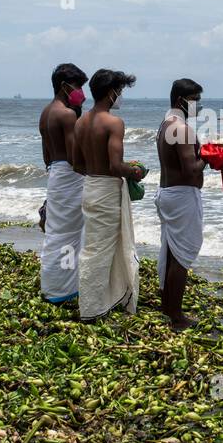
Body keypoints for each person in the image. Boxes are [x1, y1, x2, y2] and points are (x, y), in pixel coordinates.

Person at [71, 69, 147, 320]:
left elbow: (76, 164)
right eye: (120, 91)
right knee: (100, 250)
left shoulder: (81, 122)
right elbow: (116, 166)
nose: (120, 96)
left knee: (96, 246)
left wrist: (98, 169)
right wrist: (134, 172)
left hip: (90, 187)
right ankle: (91, 309)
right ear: (111, 92)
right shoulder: (114, 123)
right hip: (106, 190)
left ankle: (104, 298)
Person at [155, 78, 206, 330]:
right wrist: (207, 155)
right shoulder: (182, 129)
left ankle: (168, 306)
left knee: (172, 251)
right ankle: (176, 315)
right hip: (181, 195)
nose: (198, 105)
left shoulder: (166, 124)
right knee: (182, 257)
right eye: (195, 100)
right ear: (180, 101)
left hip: (168, 192)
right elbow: (191, 171)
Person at [38, 63, 88, 304]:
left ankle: (52, 285)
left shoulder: (46, 113)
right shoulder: (67, 115)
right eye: (78, 86)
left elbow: (47, 156)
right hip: (69, 176)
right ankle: (65, 290)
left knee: (56, 233)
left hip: (56, 176)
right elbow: (74, 158)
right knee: (70, 234)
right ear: (64, 86)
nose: (81, 92)